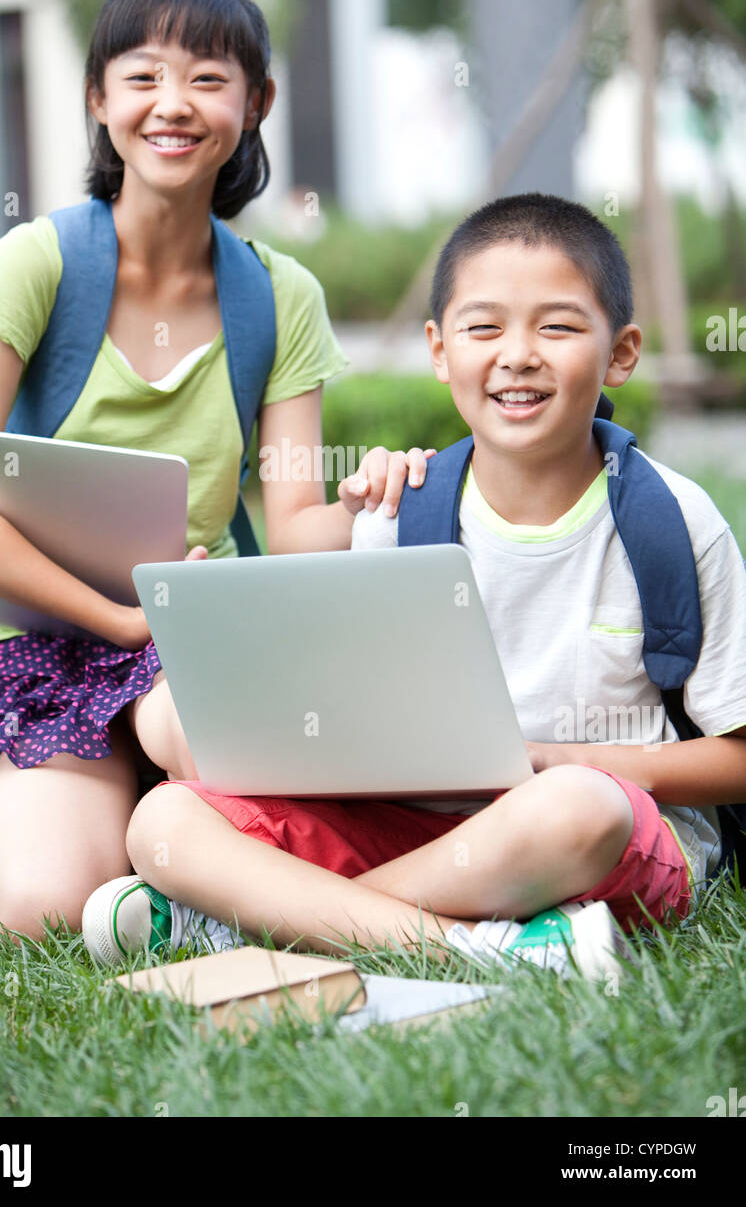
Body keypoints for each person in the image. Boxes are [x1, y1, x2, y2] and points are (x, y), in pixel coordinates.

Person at [0, 0, 431, 942]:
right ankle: (130, 834)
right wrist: (111, 612)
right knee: (36, 907)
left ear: (256, 101)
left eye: (207, 76)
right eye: (142, 76)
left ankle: (181, 830)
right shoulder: (39, 263)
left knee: (216, 732)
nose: (172, 105)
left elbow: (291, 530)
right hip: (34, 641)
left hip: (194, 634)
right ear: (99, 100)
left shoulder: (278, 297)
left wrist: (376, 498)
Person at [88, 192, 746, 977]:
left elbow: (734, 760)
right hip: (411, 824)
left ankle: (263, 919)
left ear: (621, 352)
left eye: (559, 326)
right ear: (439, 350)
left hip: (595, 833)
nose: (519, 353)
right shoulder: (400, 515)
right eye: (484, 327)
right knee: (164, 819)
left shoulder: (673, 521)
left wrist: (555, 759)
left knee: (576, 804)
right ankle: (485, 947)